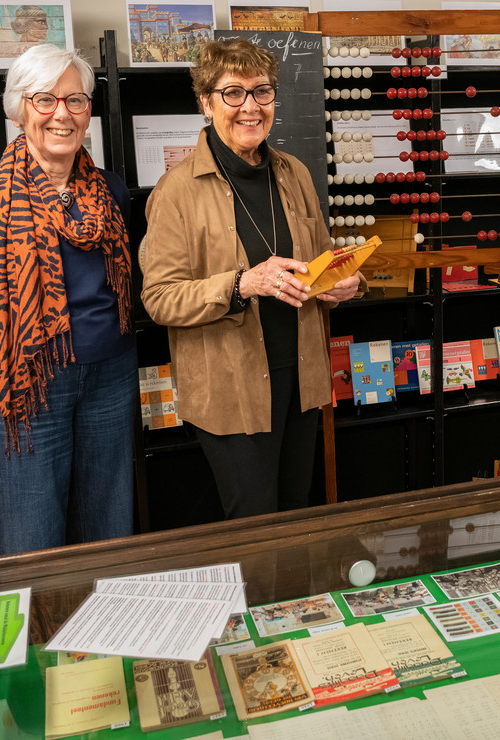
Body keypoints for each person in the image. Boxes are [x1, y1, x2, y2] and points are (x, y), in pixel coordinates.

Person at [140, 38, 361, 518]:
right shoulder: (175, 192)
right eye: (233, 93)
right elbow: (159, 299)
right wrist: (244, 284)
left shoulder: (294, 173)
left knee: (296, 508)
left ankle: (294, 599)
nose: (250, 107)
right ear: (206, 102)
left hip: (301, 379)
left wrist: (343, 284)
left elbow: (321, 262)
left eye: (261, 92)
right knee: (255, 521)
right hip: (232, 389)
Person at [0, 44, 136, 557]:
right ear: (19, 107)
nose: (61, 114)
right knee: (25, 535)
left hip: (110, 377)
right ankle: (30, 639)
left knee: (107, 527)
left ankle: (99, 636)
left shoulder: (111, 192)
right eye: (45, 99)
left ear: (89, 111)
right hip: (24, 382)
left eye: (75, 100)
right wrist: (5, 373)